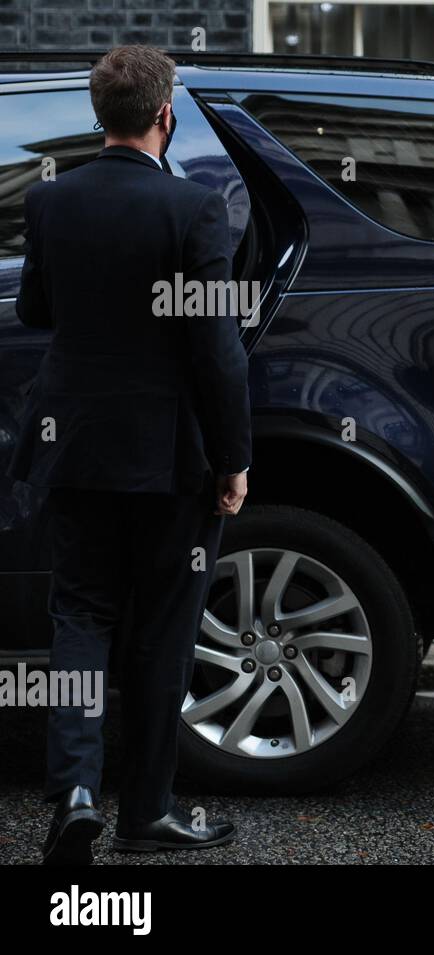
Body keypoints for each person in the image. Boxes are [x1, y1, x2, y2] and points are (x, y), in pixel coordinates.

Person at [8, 45, 252, 863]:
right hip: (167, 457)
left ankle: (76, 790)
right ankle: (147, 812)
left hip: (72, 445)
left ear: (98, 114)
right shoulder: (194, 210)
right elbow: (218, 351)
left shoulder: (52, 204)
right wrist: (233, 458)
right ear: (164, 114)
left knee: (79, 614)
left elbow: (38, 309)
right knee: (162, 634)